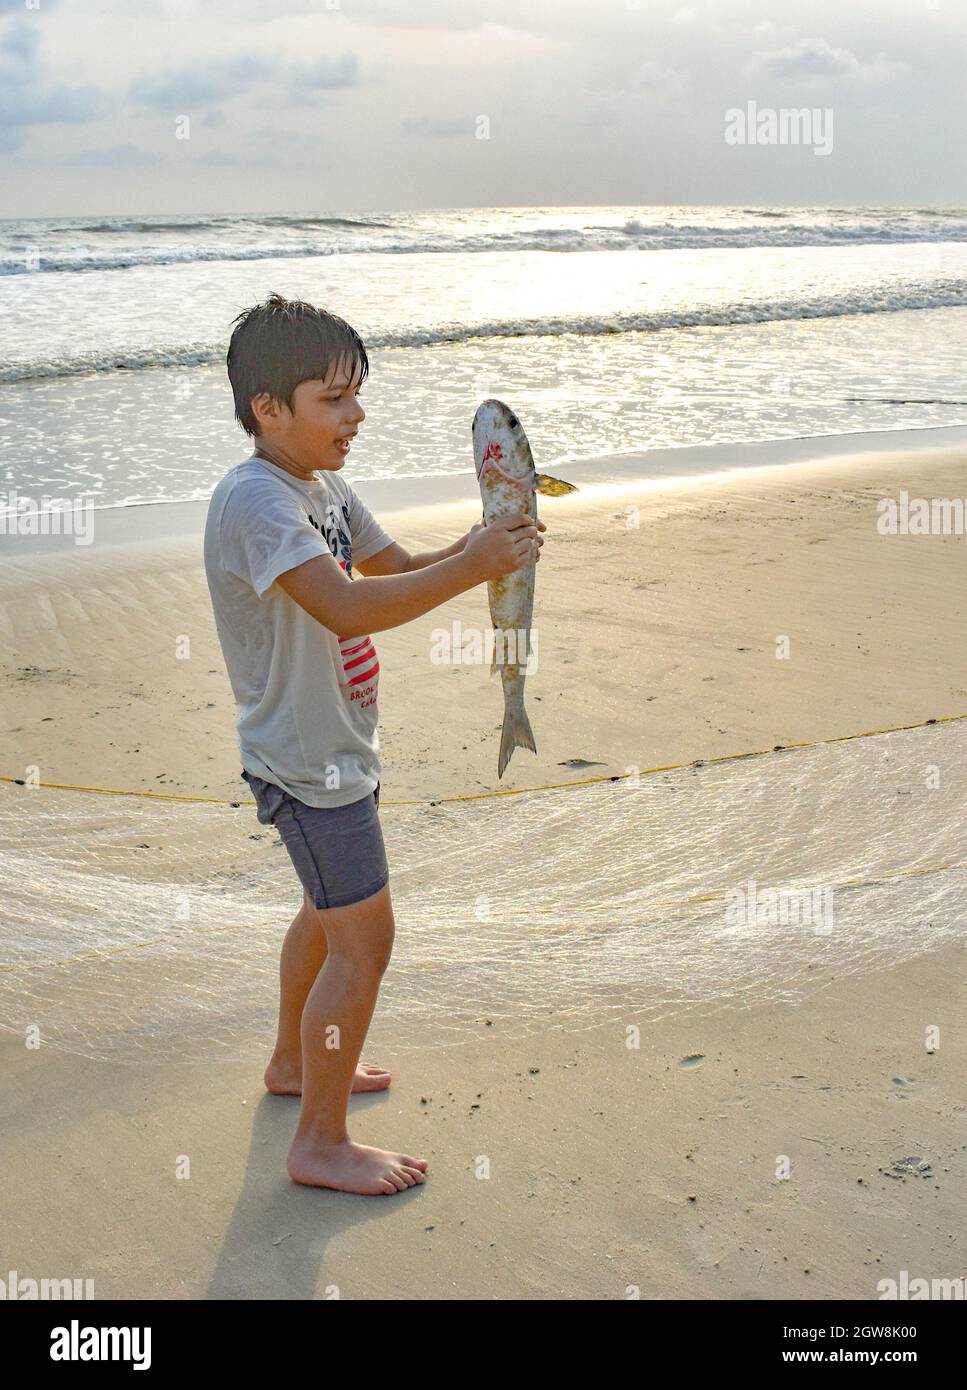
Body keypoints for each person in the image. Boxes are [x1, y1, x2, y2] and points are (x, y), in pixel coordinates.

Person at [203, 293, 544, 1195]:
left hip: (337, 749)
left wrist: (481, 546)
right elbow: (349, 606)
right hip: (308, 765)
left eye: (356, 395)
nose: (355, 416)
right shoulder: (256, 500)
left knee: (326, 917)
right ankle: (318, 1140)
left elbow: (391, 568)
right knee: (365, 943)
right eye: (332, 399)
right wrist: (473, 567)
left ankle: (292, 1063)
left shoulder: (321, 488)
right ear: (267, 410)